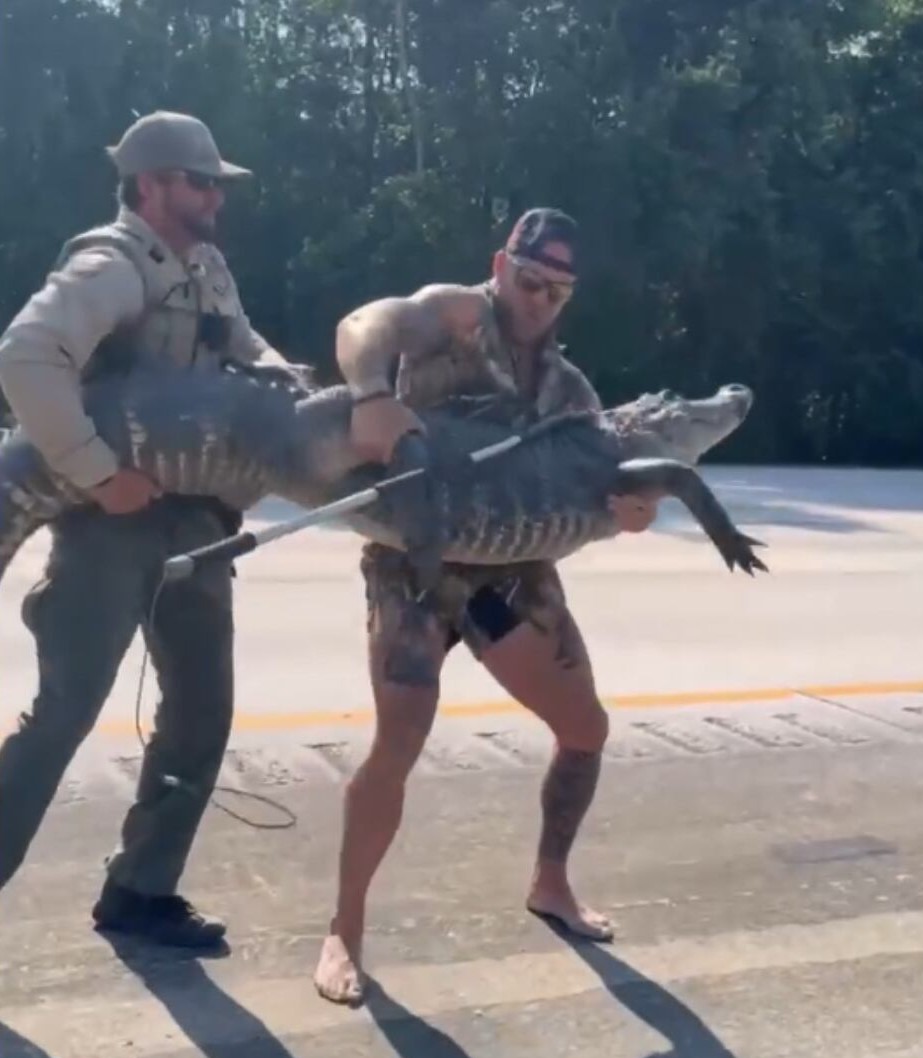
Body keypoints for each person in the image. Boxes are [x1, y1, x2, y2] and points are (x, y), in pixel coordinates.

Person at [313, 207, 660, 1003]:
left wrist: (634, 509)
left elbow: (606, 482)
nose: (540, 301)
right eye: (531, 280)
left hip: (508, 574)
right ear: (501, 264)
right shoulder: (454, 319)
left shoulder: (569, 390)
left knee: (585, 727)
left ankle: (551, 882)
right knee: (397, 743)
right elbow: (364, 324)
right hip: (415, 565)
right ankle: (344, 928)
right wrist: (369, 393)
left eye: (559, 291)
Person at [0, 110, 291, 947]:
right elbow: (26, 354)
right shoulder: (112, 263)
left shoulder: (204, 265)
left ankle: (140, 888)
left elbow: (245, 346)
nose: (215, 197)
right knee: (64, 715)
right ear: (152, 185)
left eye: (216, 184)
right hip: (108, 522)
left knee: (203, 710)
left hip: (194, 520)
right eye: (201, 182)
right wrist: (95, 468)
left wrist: (288, 386)